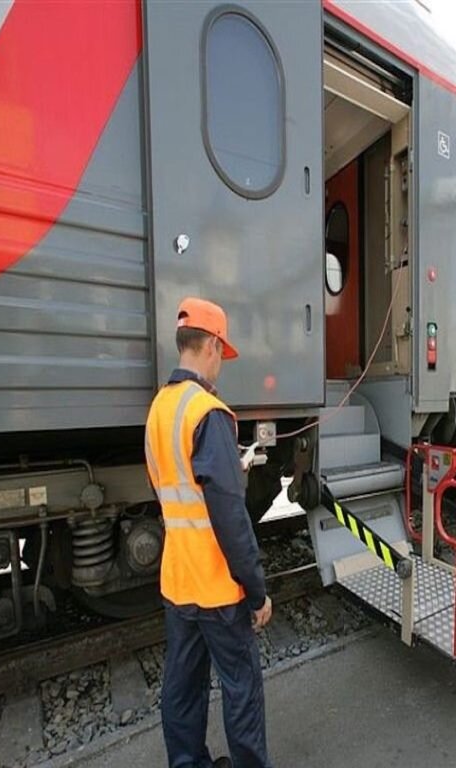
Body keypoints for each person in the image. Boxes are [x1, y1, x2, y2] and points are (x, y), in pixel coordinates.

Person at [145, 297, 273, 768]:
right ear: (213, 346)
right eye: (223, 354)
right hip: (218, 586)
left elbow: (171, 489)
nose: (221, 365)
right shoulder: (208, 412)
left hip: (178, 581)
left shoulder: (159, 408)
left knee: (182, 687)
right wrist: (256, 592)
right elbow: (230, 518)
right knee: (241, 688)